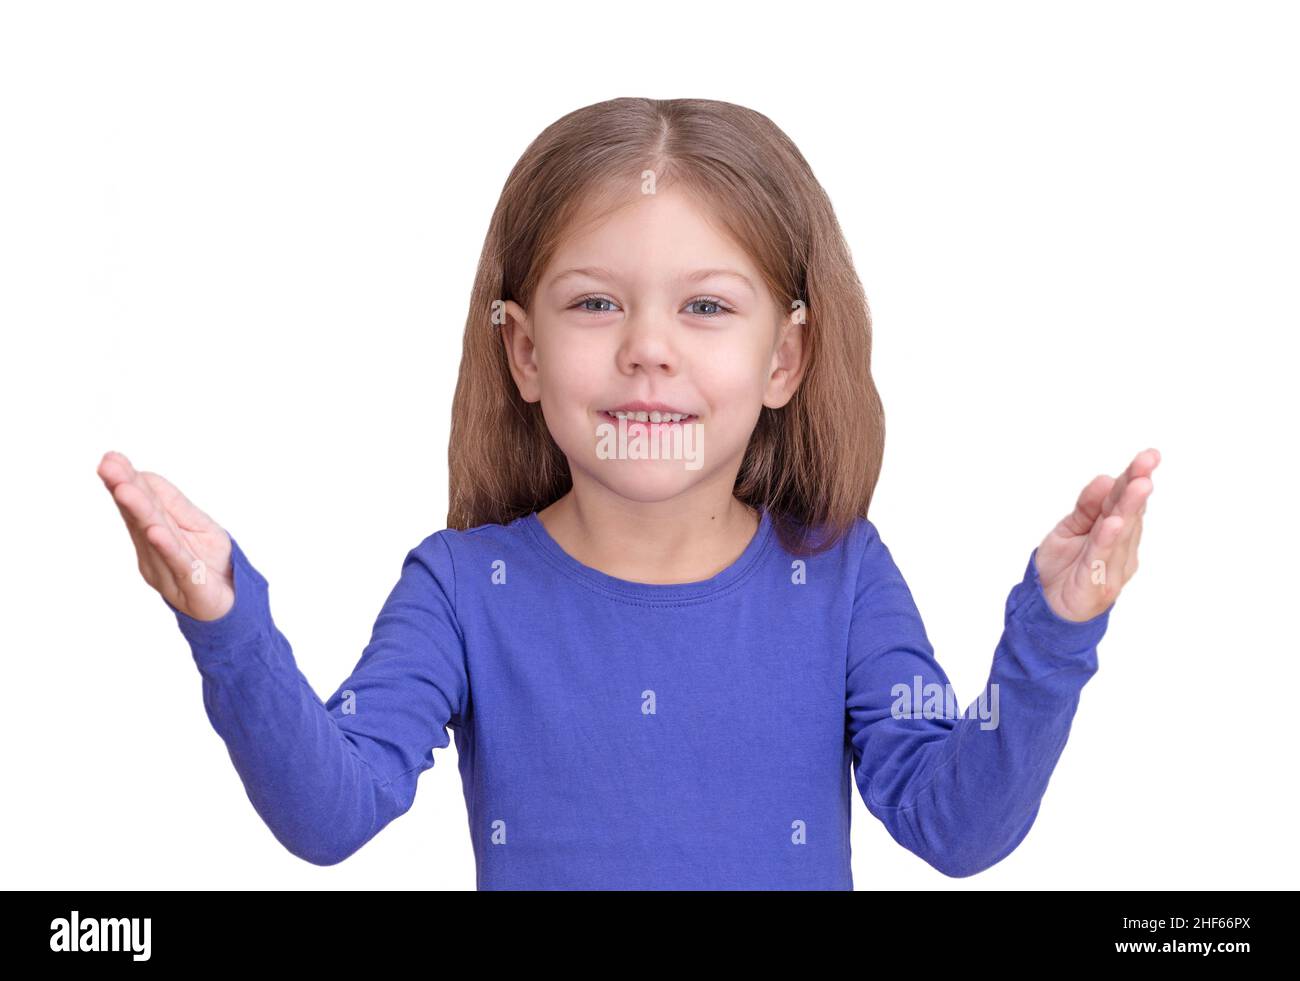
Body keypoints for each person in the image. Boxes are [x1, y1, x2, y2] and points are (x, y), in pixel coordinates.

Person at [98, 97, 1158, 890]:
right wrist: (225, 620)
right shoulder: (466, 586)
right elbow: (331, 811)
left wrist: (1054, 633)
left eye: (704, 306)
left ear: (784, 359)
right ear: (522, 350)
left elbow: (955, 826)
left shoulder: (838, 577)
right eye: (596, 303)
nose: (647, 350)